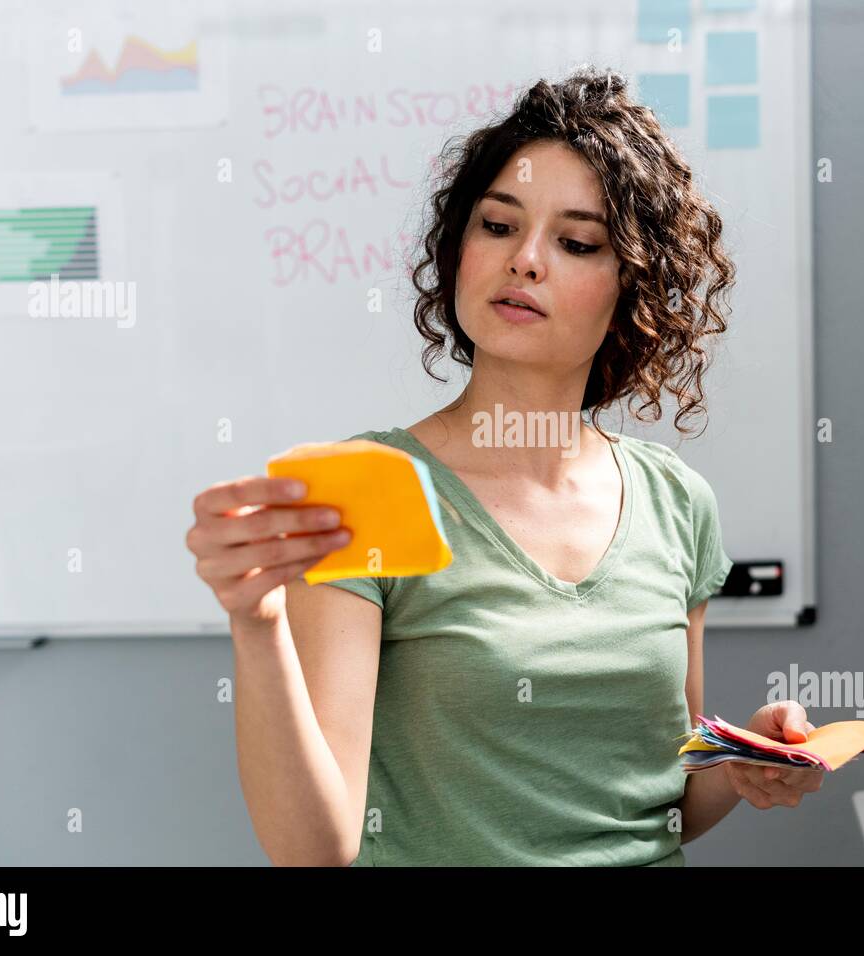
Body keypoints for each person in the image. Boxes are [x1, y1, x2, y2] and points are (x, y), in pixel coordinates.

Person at [185, 66, 823, 867]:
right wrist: (258, 622)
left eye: (576, 242)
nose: (525, 260)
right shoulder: (364, 490)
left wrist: (739, 762)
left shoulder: (675, 501)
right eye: (497, 225)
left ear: (634, 290)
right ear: (459, 248)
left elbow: (663, 800)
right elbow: (315, 849)